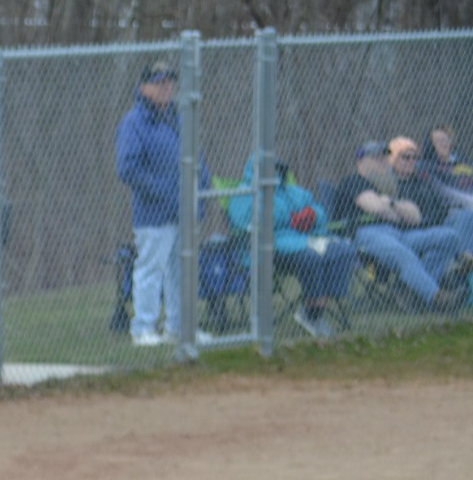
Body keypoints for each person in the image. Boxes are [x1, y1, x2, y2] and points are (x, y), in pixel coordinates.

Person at [114, 59, 206, 347]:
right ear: (144, 87)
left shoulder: (178, 117)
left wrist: (200, 191)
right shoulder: (135, 121)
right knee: (150, 270)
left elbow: (197, 159)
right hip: (154, 213)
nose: (166, 87)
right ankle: (143, 328)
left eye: (169, 81)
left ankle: (178, 327)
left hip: (182, 211)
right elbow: (127, 167)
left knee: (182, 270)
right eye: (159, 82)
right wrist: (163, 191)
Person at [326, 140, 471, 313]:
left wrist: (391, 203)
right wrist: (392, 208)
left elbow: (415, 216)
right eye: (375, 157)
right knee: (403, 253)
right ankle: (436, 298)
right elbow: (375, 206)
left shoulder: (388, 186)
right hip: (365, 234)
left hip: (398, 234)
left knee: (448, 237)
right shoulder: (353, 181)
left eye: (383, 156)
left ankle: (412, 293)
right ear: (361, 161)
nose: (381, 160)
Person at [226, 158, 357, 338]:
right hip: (269, 248)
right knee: (309, 258)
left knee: (343, 251)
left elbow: (318, 210)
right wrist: (290, 219)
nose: (274, 173)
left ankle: (313, 307)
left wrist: (312, 216)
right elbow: (249, 222)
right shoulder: (244, 194)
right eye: (268, 169)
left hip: (303, 239)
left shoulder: (292, 192)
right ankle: (314, 315)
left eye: (277, 169)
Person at [416, 125, 473, 209]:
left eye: (446, 139)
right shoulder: (427, 166)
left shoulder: (463, 161)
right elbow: (442, 191)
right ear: (430, 144)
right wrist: (470, 201)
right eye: (439, 141)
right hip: (454, 207)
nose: (444, 143)